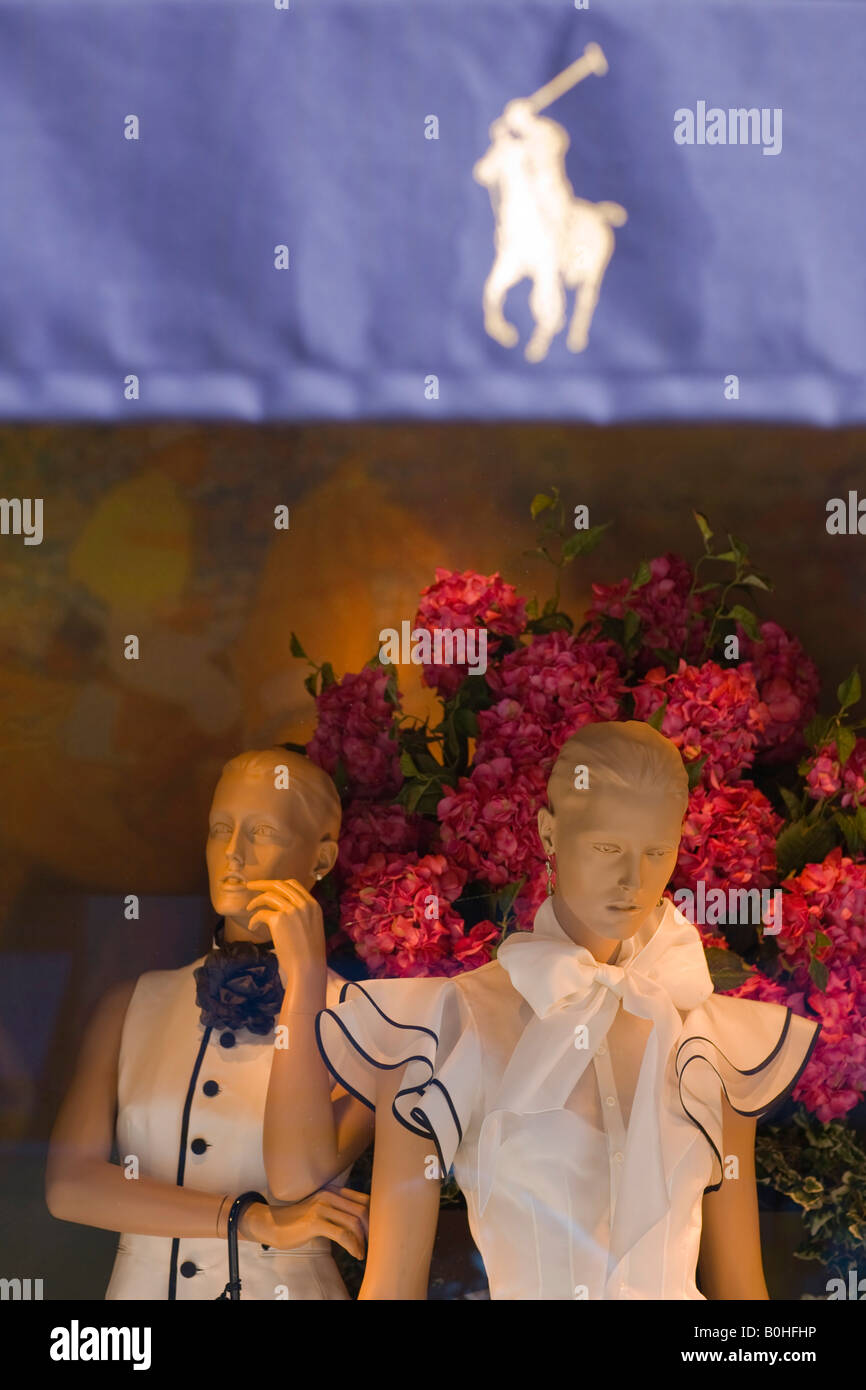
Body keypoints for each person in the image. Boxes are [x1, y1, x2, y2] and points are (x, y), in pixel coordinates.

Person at [315, 721, 821, 1300]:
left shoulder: (715, 1042)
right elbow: (390, 1289)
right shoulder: (449, 1029)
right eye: (608, 847)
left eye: (657, 851)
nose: (634, 879)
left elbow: (740, 1301)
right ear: (548, 833)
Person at [46, 748, 370, 1300]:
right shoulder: (132, 1005)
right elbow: (69, 1186)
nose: (233, 853)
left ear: (321, 859)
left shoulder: (369, 1023)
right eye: (221, 828)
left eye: (262, 831)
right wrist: (247, 1218)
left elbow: (300, 1177)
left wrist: (307, 981)